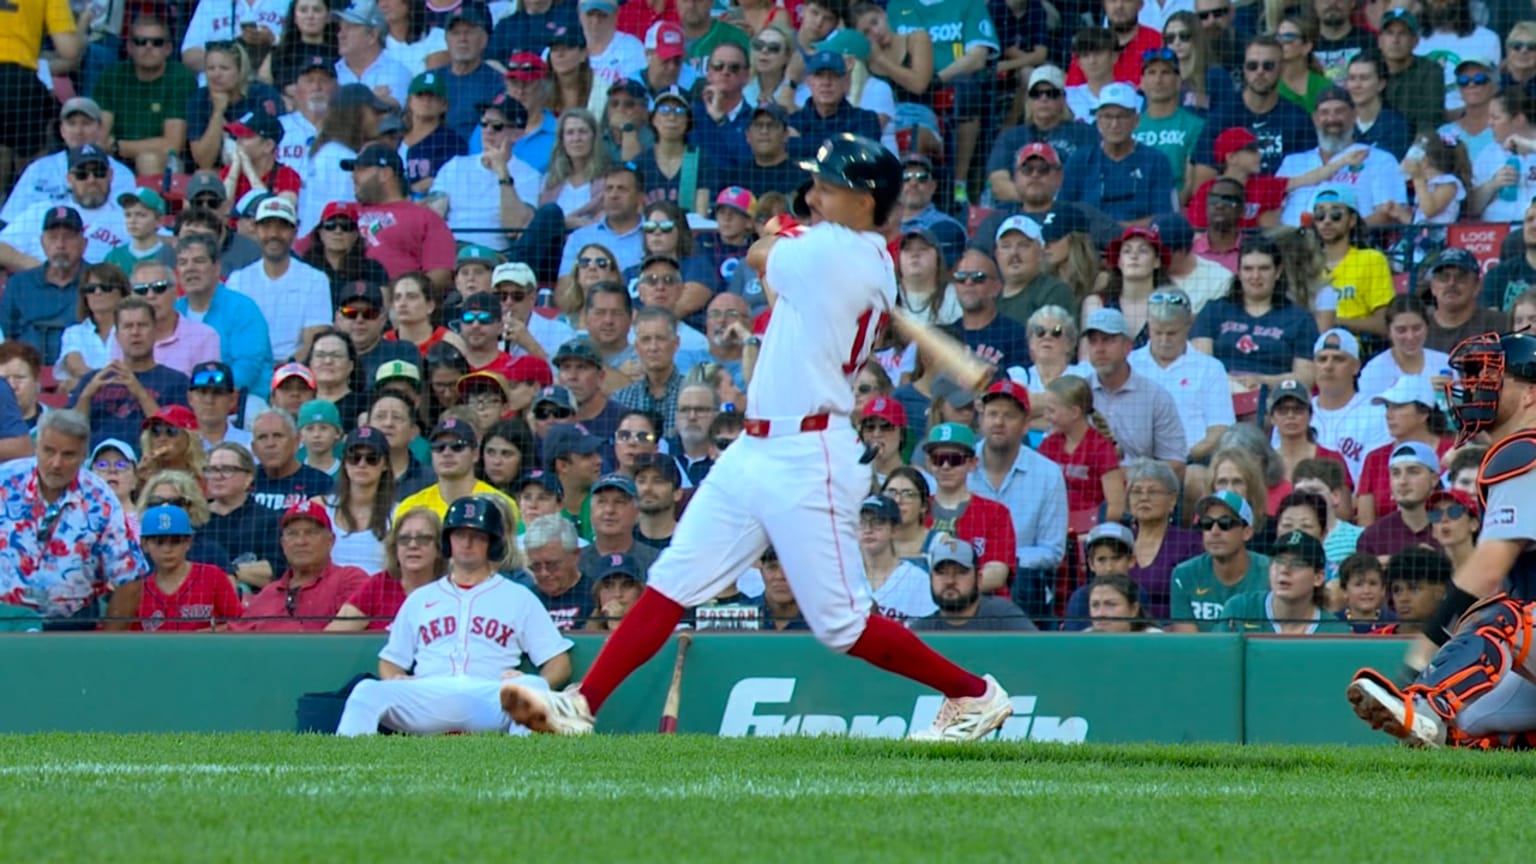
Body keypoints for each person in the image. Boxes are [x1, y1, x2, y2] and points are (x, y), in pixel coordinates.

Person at [501, 135, 1014, 741]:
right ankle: (580, 704)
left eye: (830, 187)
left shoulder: (838, 254)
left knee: (842, 626)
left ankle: (974, 694)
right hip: (756, 448)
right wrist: (792, 233)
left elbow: (759, 256)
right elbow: (776, 270)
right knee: (672, 581)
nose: (817, 194)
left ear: (863, 200)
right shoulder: (852, 254)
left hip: (810, 453)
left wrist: (781, 231)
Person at [335, 495, 572, 736]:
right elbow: (390, 660)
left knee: (534, 687)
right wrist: (395, 677)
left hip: (490, 695)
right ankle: (343, 770)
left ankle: (519, 769)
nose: (467, 543)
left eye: (477, 536)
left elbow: (559, 662)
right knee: (366, 691)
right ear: (448, 541)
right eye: (459, 534)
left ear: (492, 543)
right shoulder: (420, 598)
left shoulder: (519, 597)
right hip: (428, 694)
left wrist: (530, 682)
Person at [0, 411, 143, 626]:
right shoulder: (5, 482)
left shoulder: (101, 500)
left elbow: (130, 580)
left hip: (72, 626)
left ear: (84, 457)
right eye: (49, 451)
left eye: (68, 455)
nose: (56, 463)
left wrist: (107, 646)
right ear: (36, 447)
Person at [1191, 234, 1319, 390]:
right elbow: (1200, 366)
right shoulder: (1214, 310)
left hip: (1275, 401)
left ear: (1278, 272)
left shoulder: (1300, 319)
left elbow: (1305, 378)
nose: (1255, 276)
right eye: (1248, 269)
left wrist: (1262, 381)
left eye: (1264, 268)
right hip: (1219, 394)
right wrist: (1231, 384)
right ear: (1238, 272)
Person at [1128, 288, 1232, 466]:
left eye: (1172, 333)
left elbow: (1220, 429)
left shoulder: (1210, 368)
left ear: (1188, 325)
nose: (1163, 340)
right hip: (1135, 462)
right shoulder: (1129, 364)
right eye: (1157, 332)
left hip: (1192, 462)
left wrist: (1183, 457)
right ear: (1148, 324)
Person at [68, 298, 190, 447]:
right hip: (96, 465)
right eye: (127, 326)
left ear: (155, 332)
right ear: (117, 335)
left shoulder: (176, 381)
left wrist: (139, 392)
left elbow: (177, 439)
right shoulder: (92, 380)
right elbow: (69, 435)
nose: (135, 332)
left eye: (142, 325)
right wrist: (86, 396)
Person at [1083, 308, 1188, 479]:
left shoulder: (1155, 397)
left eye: (1108, 340)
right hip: (1085, 488)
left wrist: (1124, 476)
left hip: (1139, 490)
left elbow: (1176, 463)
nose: (1099, 349)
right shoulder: (1078, 393)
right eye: (1093, 342)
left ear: (1128, 347)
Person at [232, 500, 370, 631]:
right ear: (283, 544)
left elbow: (349, 635)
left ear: (330, 541)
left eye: (310, 533)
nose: (300, 541)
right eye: (292, 534)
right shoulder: (268, 594)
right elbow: (236, 640)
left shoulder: (349, 579)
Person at [226, 198, 331, 363]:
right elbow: (233, 338)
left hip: (296, 373)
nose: (274, 234)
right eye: (266, 226)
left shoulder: (315, 280)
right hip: (250, 369)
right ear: (255, 229)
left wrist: (283, 372)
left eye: (282, 227)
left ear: (295, 231)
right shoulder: (237, 280)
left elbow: (313, 343)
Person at [1059, 83, 1176, 225]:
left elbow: (1163, 218)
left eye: (1122, 117)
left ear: (1136, 120)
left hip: (1139, 242)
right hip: (1088, 243)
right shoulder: (1079, 161)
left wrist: (1114, 230)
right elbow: (1063, 213)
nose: (1114, 124)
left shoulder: (1156, 161)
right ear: (1098, 121)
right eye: (1108, 117)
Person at [173, 234, 274, 399]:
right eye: (183, 263)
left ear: (217, 268)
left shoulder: (242, 309)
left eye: (199, 261)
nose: (190, 268)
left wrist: (205, 393)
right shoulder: (174, 311)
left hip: (241, 400)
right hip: (186, 400)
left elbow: (246, 369)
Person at [1168, 490, 1272, 632]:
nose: (1215, 531)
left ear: (1247, 532)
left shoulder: (1271, 573)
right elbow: (1189, 645)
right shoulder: (1184, 575)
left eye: (1225, 523)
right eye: (1207, 523)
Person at [328, 506, 445, 631]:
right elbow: (334, 637)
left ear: (439, 548)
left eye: (423, 539)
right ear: (395, 548)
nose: (413, 545)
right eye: (404, 539)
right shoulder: (379, 585)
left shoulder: (450, 591)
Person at [1354, 378, 1452, 526]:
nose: (1388, 414)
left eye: (1398, 406)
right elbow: (1366, 526)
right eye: (1387, 407)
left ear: (1424, 412)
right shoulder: (1375, 459)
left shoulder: (1454, 450)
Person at [132, 505, 243, 632]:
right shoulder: (139, 591)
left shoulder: (212, 577)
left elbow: (240, 624)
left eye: (175, 541)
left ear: (188, 542)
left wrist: (203, 635)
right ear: (145, 544)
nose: (167, 549)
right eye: (159, 542)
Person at [1221, 529, 1351, 633]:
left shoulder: (1335, 632)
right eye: (1279, 561)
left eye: (1297, 563)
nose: (1284, 569)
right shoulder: (1239, 610)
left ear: (1318, 578)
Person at [202, 442, 286, 594]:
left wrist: (225, 570)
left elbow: (274, 571)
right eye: (212, 470)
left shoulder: (271, 519)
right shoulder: (195, 519)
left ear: (248, 477)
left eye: (227, 469)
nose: (217, 477)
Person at [1037, 375, 1124, 521]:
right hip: (1051, 525)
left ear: (1075, 412)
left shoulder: (1101, 448)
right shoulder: (1048, 445)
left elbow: (1116, 506)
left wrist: (1094, 534)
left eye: (1051, 411)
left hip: (1088, 530)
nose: (1046, 416)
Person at [908, 537, 1037, 632]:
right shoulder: (922, 631)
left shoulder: (1003, 617)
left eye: (960, 572)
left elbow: (1040, 654)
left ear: (979, 579)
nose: (950, 581)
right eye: (942, 573)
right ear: (931, 579)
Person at [1357, 441, 1442, 560]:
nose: (1403, 481)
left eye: (1413, 472)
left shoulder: (1451, 527)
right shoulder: (1374, 536)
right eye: (1396, 473)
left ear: (1434, 479)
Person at [1421, 249, 1509, 354]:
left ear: (1477, 286)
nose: (1451, 283)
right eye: (1444, 277)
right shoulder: (1417, 328)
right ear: (1433, 286)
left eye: (1460, 277)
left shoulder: (1501, 325)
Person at [250, 409, 335, 511]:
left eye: (278, 436)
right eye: (262, 437)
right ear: (254, 448)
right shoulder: (245, 481)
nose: (270, 444)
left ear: (296, 442)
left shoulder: (321, 483)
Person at [1428, 488, 1480, 569]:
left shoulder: (1494, 567)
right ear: (1433, 531)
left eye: (1454, 511)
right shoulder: (1428, 571)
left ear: (1473, 524)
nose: (1444, 519)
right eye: (1436, 514)